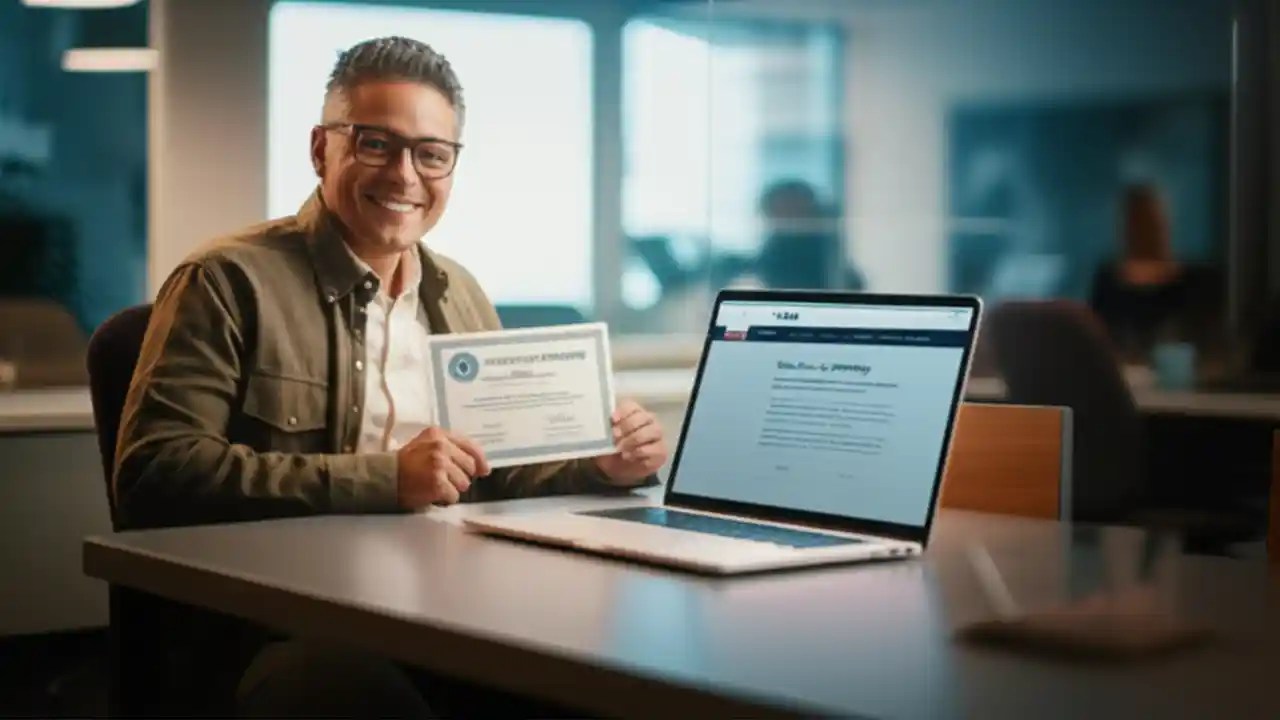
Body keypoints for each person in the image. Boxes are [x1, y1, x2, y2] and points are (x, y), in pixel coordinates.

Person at [113, 36, 669, 717]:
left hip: (452, 609)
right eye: (376, 144)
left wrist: (600, 466)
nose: (406, 175)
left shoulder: (459, 294)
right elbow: (154, 476)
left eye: (431, 154)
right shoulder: (226, 282)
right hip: (282, 619)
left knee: (601, 672)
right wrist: (387, 478)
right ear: (323, 150)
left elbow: (502, 471)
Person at [1089, 183, 1191, 362]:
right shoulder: (1107, 277)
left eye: (1153, 218)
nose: (1148, 228)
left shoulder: (1189, 280)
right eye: (1140, 220)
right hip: (1122, 371)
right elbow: (1097, 336)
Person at [754, 179, 864, 291]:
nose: (790, 214)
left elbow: (851, 284)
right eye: (782, 209)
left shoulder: (827, 244)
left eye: (794, 207)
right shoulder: (773, 250)